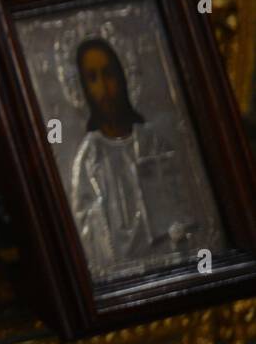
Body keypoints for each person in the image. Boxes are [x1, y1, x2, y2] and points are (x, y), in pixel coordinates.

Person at [69, 37, 222, 280]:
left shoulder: (153, 143)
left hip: (172, 266)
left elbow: (184, 207)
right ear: (84, 89)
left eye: (109, 74)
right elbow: (85, 232)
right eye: (92, 78)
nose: (104, 89)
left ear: (123, 77)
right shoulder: (89, 159)